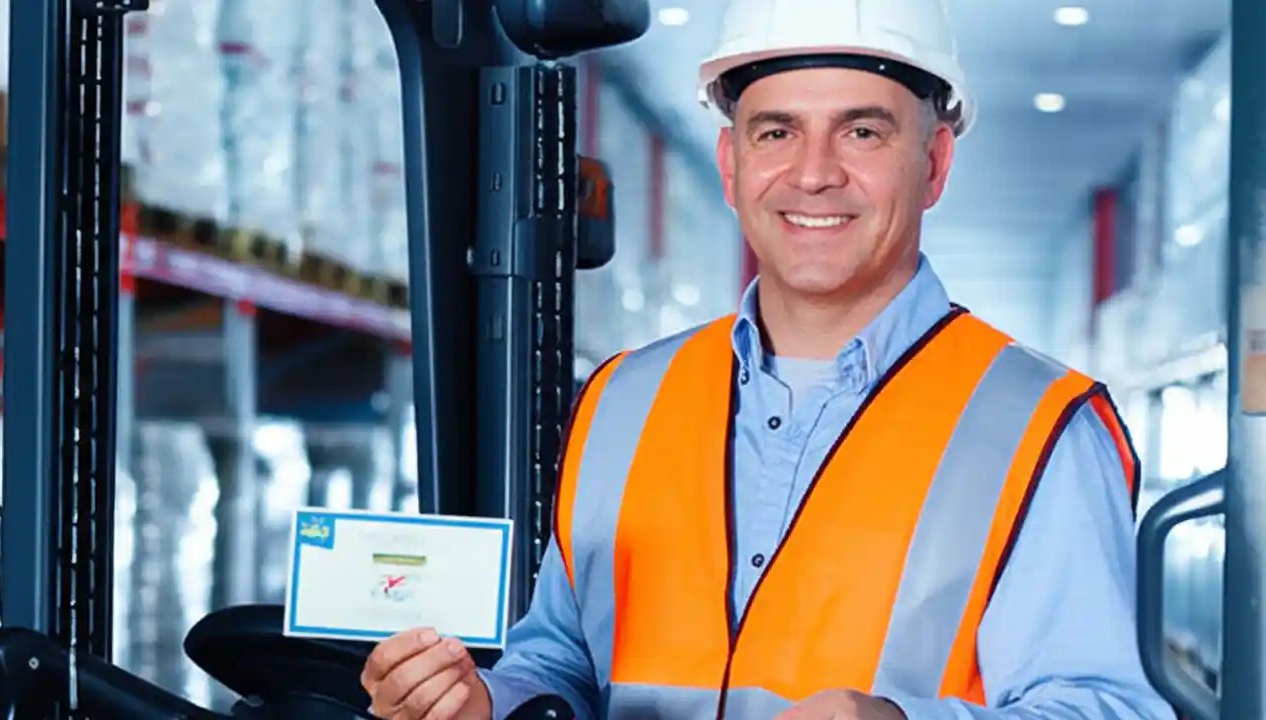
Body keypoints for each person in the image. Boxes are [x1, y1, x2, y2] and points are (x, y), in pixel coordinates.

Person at [360, 0, 1178, 718]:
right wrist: (482, 704)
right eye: (777, 131)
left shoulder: (1040, 425)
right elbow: (560, 665)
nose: (815, 174)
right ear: (732, 165)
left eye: (862, 131)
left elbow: (1102, 707)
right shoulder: (621, 400)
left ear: (932, 166)